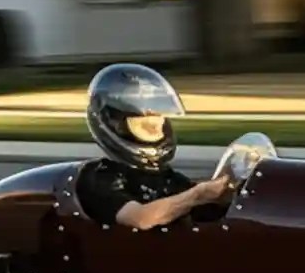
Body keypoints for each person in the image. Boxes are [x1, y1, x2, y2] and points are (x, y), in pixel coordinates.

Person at [76, 63, 233, 229]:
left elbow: (212, 211)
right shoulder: (98, 178)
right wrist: (198, 194)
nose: (156, 123)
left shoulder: (167, 179)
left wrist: (230, 188)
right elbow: (141, 218)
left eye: (158, 115)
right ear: (116, 123)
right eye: (143, 117)